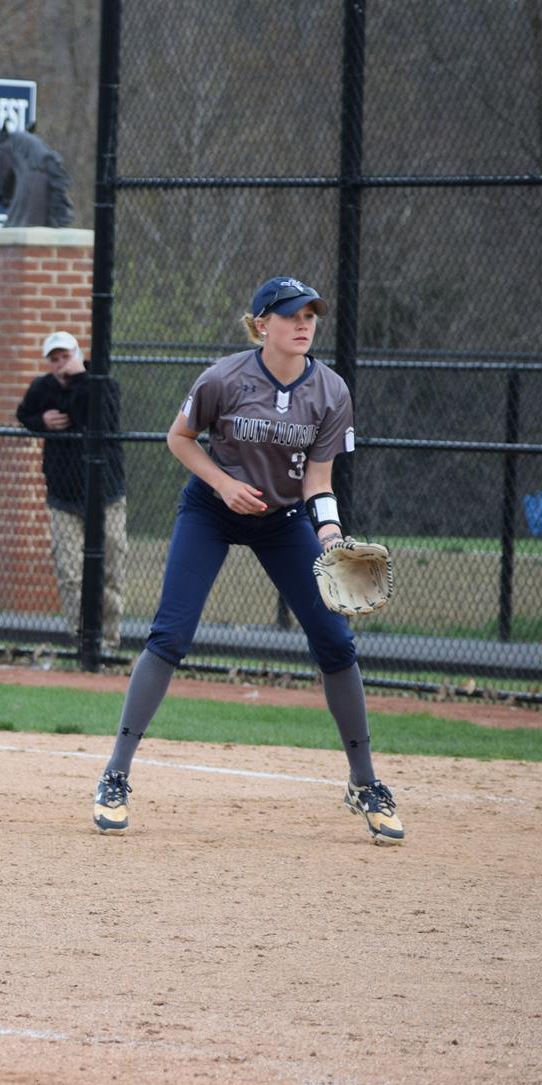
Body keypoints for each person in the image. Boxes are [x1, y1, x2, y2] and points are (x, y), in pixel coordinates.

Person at [93, 276, 403, 845]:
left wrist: (330, 533)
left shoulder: (331, 391)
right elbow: (180, 437)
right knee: (170, 634)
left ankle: (366, 783)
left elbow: (318, 479)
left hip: (284, 520)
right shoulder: (224, 378)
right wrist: (222, 482)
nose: (304, 323)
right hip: (212, 511)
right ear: (262, 324)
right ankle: (115, 774)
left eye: (310, 314)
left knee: (335, 642)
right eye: (290, 314)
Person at [16, 331, 127, 654]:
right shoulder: (43, 388)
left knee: (111, 569)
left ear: (77, 355)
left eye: (65, 356)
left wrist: (79, 379)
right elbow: (24, 416)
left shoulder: (101, 383)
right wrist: (42, 421)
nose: (59, 363)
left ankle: (108, 641)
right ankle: (82, 639)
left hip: (106, 495)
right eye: (54, 358)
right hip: (64, 496)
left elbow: (100, 420)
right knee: (69, 572)